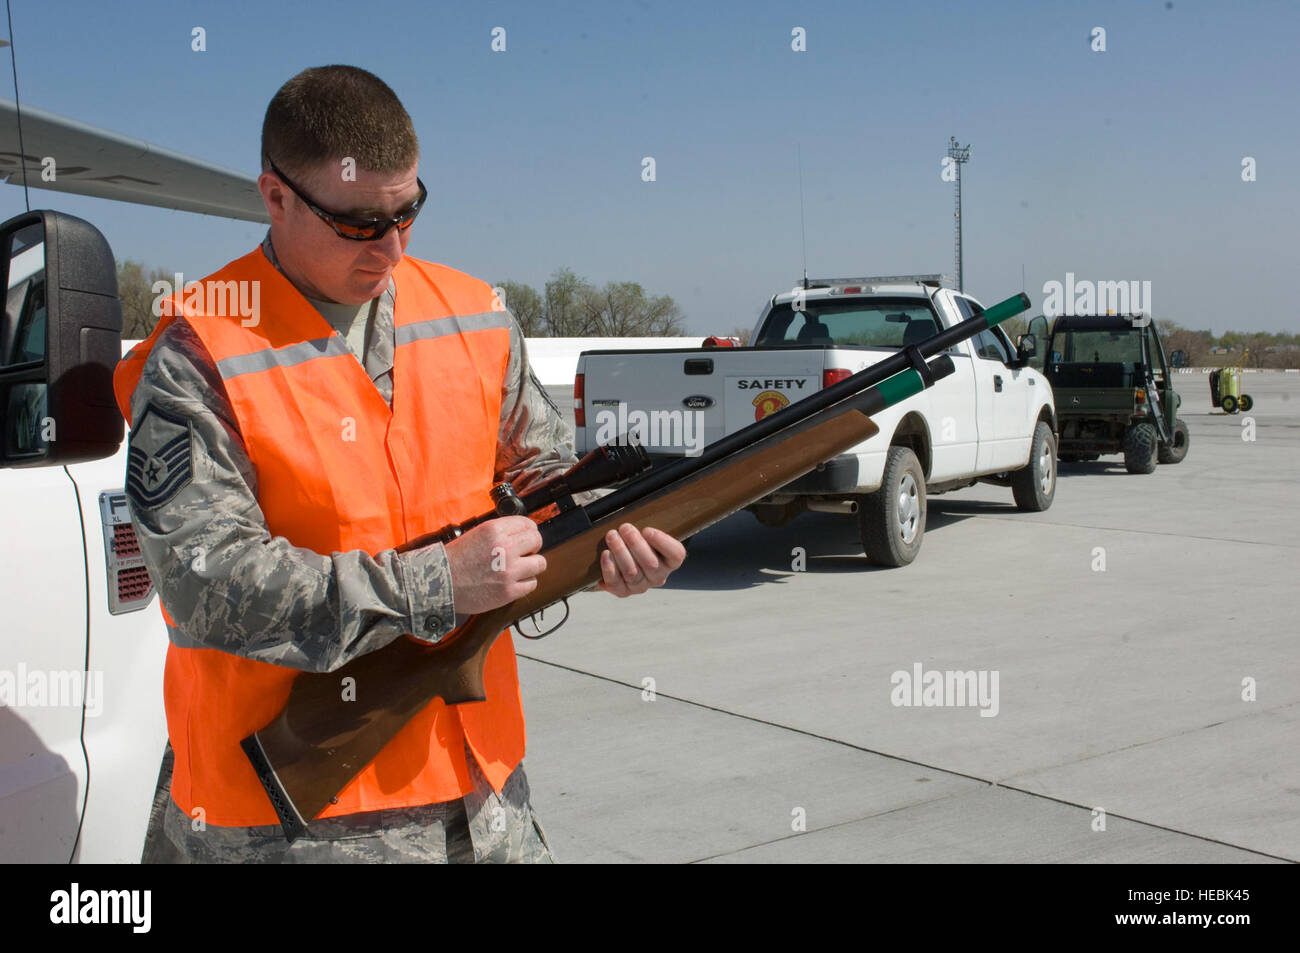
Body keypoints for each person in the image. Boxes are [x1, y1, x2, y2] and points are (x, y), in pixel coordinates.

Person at [113, 64, 685, 864]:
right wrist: (438, 585)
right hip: (281, 822)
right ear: (274, 196)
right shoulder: (198, 353)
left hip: (483, 800)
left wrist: (609, 548)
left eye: (407, 211)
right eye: (355, 223)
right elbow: (208, 584)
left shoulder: (474, 314)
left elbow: (547, 484)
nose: (389, 246)